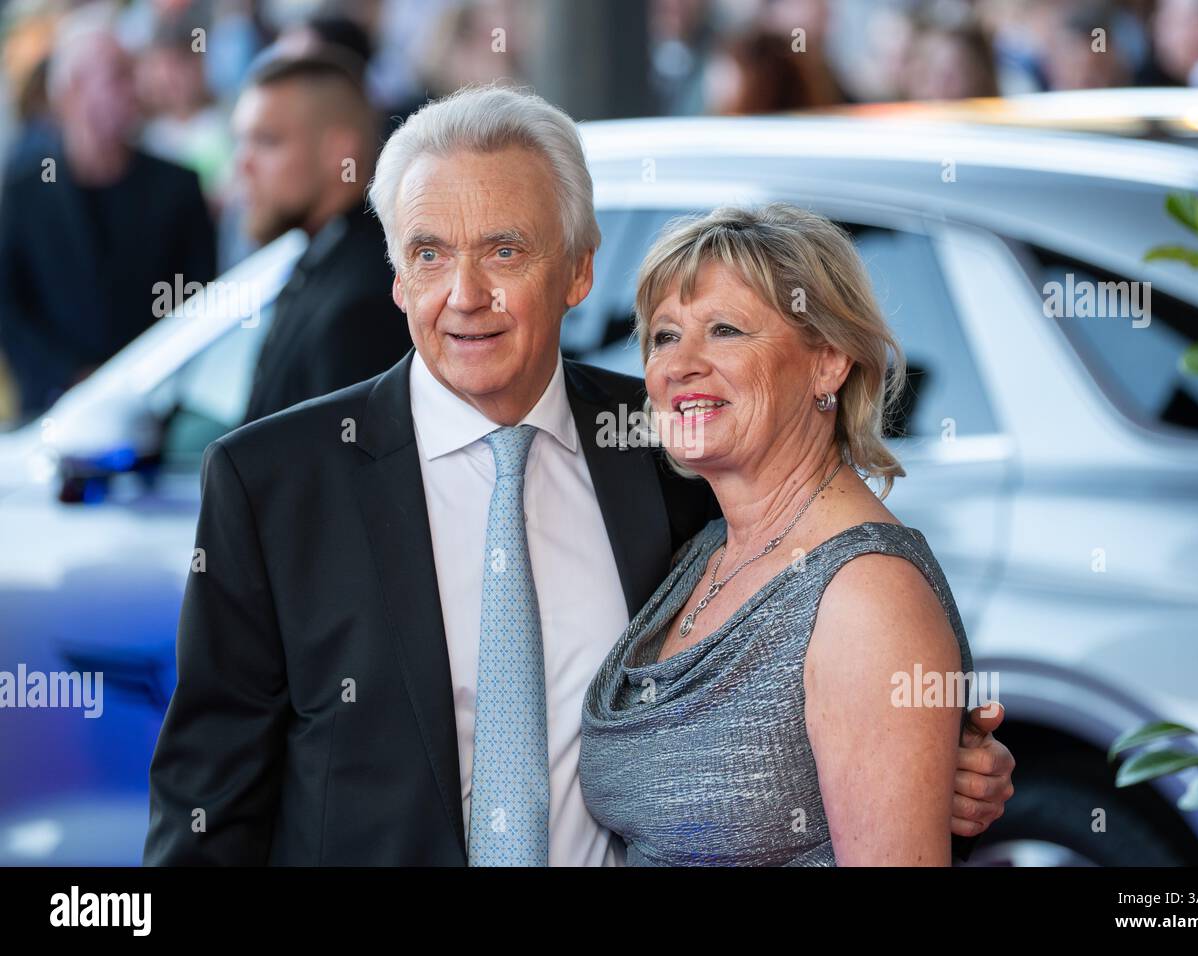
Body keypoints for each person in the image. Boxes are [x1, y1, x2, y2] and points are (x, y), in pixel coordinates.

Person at [143, 84, 1013, 866]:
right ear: (399, 278)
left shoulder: (673, 451)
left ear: (580, 268)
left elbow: (810, 682)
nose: (465, 294)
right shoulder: (273, 484)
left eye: (507, 250)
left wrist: (929, 753)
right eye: (431, 254)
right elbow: (206, 806)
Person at [580, 203, 983, 865]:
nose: (681, 365)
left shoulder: (867, 599)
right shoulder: (705, 550)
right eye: (664, 336)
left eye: (725, 330)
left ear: (828, 362)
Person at [0, 11, 215, 420]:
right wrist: (69, 376)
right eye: (116, 76)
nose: (133, 89)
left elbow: (197, 302)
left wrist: (138, 379)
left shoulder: (178, 186)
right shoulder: (23, 191)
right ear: (70, 93)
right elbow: (9, 307)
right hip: (50, 413)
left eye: (132, 74)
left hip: (154, 412)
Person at [233, 52, 411, 423]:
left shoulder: (365, 299)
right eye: (241, 142)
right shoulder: (321, 261)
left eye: (267, 141)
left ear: (338, 151)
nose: (242, 165)